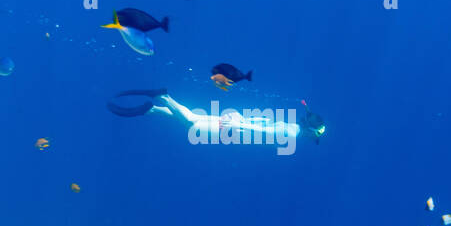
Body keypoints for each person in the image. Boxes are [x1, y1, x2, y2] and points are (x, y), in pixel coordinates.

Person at [106, 89, 325, 151]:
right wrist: (237, 124)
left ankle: (153, 110)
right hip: (235, 129)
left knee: (193, 115)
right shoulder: (292, 133)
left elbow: (264, 123)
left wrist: (240, 117)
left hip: (238, 122)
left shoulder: (292, 124)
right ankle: (164, 97)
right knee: (191, 123)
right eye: (315, 135)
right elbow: (262, 133)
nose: (311, 138)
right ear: (310, 130)